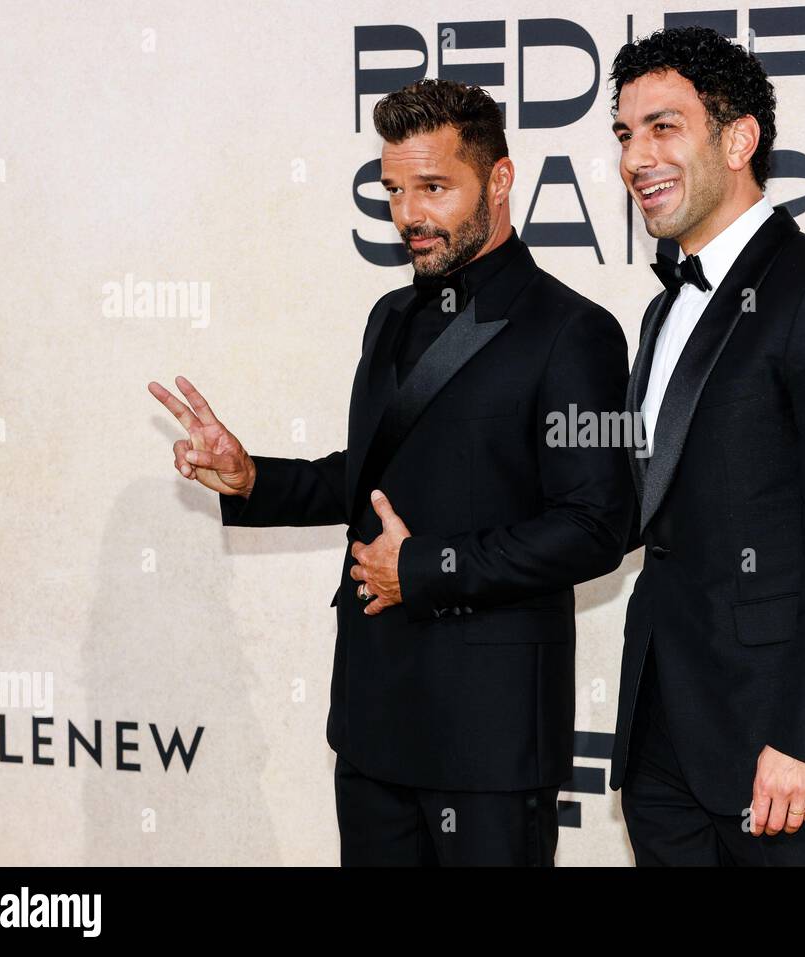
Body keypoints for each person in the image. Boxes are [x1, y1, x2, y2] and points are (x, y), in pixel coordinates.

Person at [149, 78, 633, 866]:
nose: (408, 214)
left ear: (500, 180)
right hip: (376, 715)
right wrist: (251, 480)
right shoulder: (391, 317)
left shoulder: (571, 331)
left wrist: (425, 566)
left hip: (490, 736)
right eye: (394, 190)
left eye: (434, 188)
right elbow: (371, 478)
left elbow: (594, 525)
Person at [607, 26, 805, 865]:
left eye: (664, 127)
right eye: (625, 134)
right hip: (664, 744)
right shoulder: (663, 309)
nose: (638, 158)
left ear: (738, 138)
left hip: (787, 751)